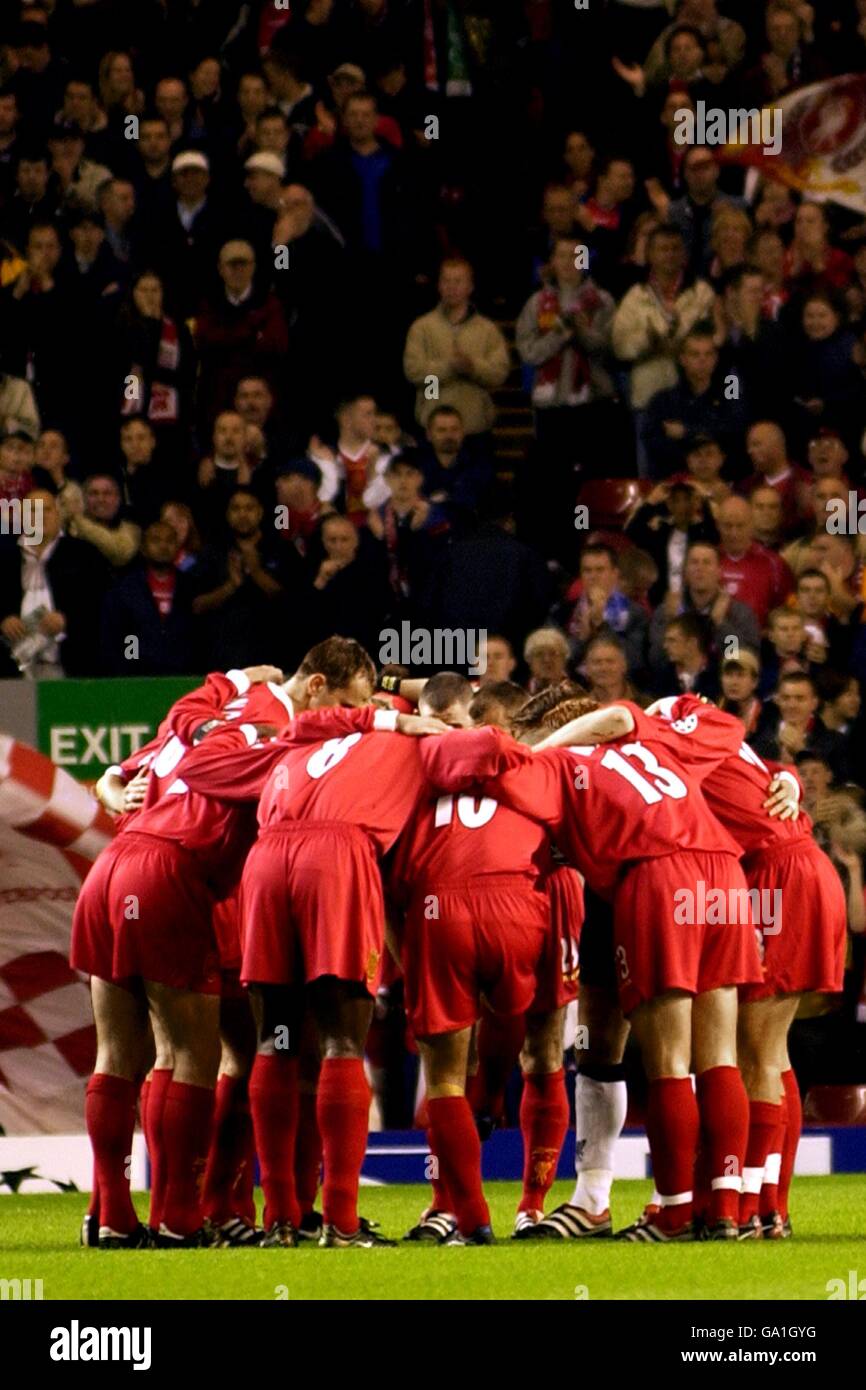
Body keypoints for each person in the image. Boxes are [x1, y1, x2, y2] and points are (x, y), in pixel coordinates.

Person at [0, 488, 107, 678]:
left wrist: (68, 621)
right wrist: (3, 620)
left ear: (58, 515)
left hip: (69, 667)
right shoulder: (5, 557)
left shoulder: (84, 555)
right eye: (32, 510)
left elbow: (101, 605)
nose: (39, 516)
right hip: (13, 671)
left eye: (46, 510)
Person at [404, 257, 510, 437]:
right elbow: (414, 371)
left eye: (458, 281)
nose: (451, 287)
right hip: (433, 426)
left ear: (470, 286)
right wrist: (448, 367)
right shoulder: (422, 327)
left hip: (474, 427)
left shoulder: (486, 330)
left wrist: (472, 368)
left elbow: (499, 372)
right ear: (439, 285)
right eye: (446, 281)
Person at [101, 520, 196, 676]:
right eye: (156, 540)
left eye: (169, 541)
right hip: (138, 677)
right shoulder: (125, 589)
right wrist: (130, 665)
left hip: (183, 676)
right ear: (143, 548)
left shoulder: (191, 587)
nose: (163, 546)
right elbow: (120, 635)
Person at [649, 541, 761, 672]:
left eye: (707, 562)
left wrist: (721, 625)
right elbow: (656, 661)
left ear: (719, 571)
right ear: (685, 572)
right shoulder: (667, 611)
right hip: (675, 686)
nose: (700, 568)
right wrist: (670, 621)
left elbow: (740, 663)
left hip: (720, 688)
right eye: (694, 562)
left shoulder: (739, 613)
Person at [556, 542, 649, 677]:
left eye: (600, 570)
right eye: (587, 570)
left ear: (614, 573)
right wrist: (583, 639)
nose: (593, 577)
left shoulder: (636, 613)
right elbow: (560, 658)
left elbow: (633, 660)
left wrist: (600, 625)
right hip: (576, 684)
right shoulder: (563, 611)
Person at [61, 473, 140, 569]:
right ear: (84, 499)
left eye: (107, 493)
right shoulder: (70, 530)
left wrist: (77, 517)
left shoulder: (131, 530)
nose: (100, 499)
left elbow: (119, 553)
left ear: (118, 499)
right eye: (94, 493)